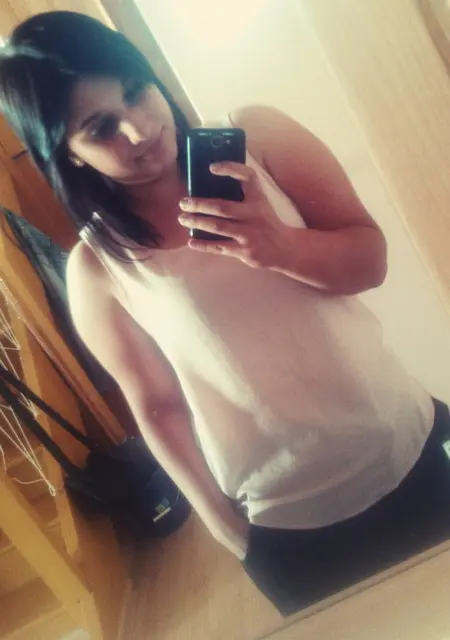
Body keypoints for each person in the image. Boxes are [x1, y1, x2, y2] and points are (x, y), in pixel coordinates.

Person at [1, 10, 449, 617]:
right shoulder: (98, 269)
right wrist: (226, 530)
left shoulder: (259, 139)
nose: (139, 129)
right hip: (286, 522)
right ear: (69, 154)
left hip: (409, 442)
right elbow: (157, 408)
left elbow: (369, 263)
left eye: (135, 91)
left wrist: (280, 247)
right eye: (101, 127)